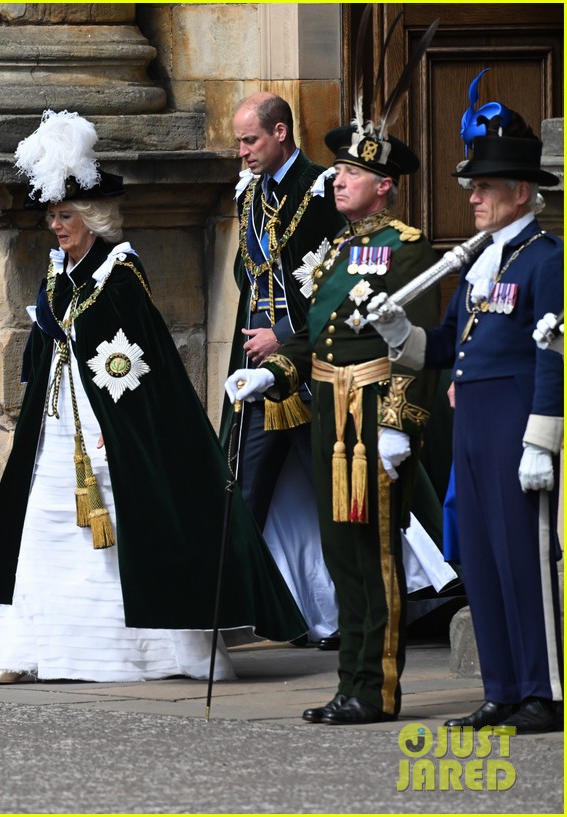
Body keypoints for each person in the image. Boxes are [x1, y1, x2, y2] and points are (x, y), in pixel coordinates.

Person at [0, 110, 305, 684]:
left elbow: (137, 362)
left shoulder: (118, 272)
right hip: (56, 422)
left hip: (105, 422)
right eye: (52, 214)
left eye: (66, 214)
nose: (56, 224)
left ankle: (134, 651)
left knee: (118, 526)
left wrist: (116, 422)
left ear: (93, 217)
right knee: (45, 526)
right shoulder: (59, 273)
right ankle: (26, 650)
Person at [226, 116, 442, 724]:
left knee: (374, 554)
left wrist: (400, 422)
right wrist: (275, 373)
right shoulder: (338, 252)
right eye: (340, 170)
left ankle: (376, 689)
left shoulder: (408, 248)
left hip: (373, 419)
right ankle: (350, 681)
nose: (339, 181)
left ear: (384, 185)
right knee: (339, 554)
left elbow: (416, 345)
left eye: (352, 172)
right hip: (329, 415)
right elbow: (320, 338)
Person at [367, 105, 563, 733]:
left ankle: (544, 690)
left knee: (523, 557)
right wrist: (400, 332)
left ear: (521, 192)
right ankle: (502, 688)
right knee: (479, 557)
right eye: (472, 188)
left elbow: (554, 348)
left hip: (515, 415)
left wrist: (542, 438)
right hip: (473, 416)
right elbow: (446, 344)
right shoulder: (481, 260)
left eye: (483, 188)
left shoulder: (544, 258)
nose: (472, 198)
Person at [224, 92, 345, 648]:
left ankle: (346, 615)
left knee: (332, 490)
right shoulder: (249, 194)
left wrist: (287, 338)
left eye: (250, 140)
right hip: (256, 370)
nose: (242, 152)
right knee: (245, 489)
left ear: (280, 132)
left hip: (309, 366)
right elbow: (247, 278)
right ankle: (245, 609)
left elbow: (337, 289)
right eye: (239, 142)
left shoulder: (321, 189)